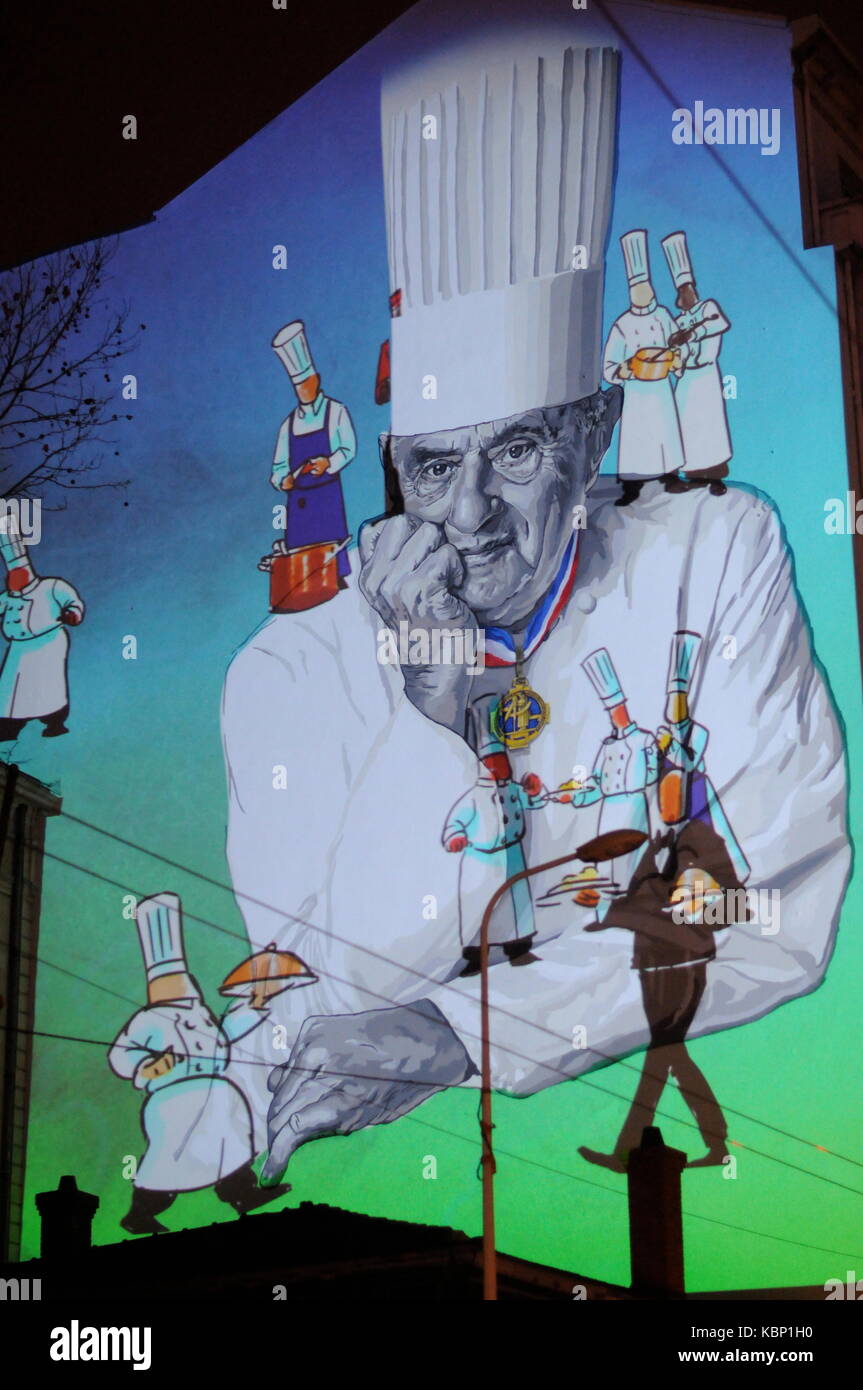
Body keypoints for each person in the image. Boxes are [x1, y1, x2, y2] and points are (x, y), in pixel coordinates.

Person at [218, 32, 848, 1184]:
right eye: (429, 464)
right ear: (391, 462)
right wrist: (432, 715)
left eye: (513, 450)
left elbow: (778, 909)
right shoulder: (290, 672)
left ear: (593, 433)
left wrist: (463, 1033)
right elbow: (335, 995)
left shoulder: (711, 553)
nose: (467, 515)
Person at [107, 893, 292, 1234]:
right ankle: (140, 1212)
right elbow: (121, 1055)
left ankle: (242, 1195)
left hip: (215, 1094)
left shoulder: (200, 1014)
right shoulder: (150, 1020)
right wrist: (148, 1068)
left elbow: (225, 1037)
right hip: (175, 1098)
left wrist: (254, 1004)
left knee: (231, 1145)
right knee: (170, 1159)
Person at [578, 819, 750, 1172]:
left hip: (685, 963)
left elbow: (736, 904)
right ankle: (716, 1144)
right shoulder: (647, 844)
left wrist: (687, 919)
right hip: (650, 964)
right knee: (670, 1055)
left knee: (661, 1054)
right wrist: (606, 909)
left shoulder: (700, 837)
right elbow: (638, 900)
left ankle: (627, 1150)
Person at [602, 230, 687, 507]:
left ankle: (671, 477)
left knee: (665, 435)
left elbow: (678, 345)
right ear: (631, 292)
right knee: (637, 441)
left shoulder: (662, 316)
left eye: (645, 288)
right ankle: (632, 486)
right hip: (636, 394)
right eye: (636, 289)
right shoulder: (622, 325)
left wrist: (676, 359)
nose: (642, 294)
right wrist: (626, 368)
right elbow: (608, 368)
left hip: (661, 390)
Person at [269, 321, 356, 586]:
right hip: (299, 503)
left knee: (332, 552)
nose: (304, 391)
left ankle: (337, 581)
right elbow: (278, 467)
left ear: (316, 380)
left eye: (307, 383)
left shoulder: (336, 411)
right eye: (299, 386)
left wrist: (328, 462)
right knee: (303, 566)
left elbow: (348, 448)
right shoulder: (288, 425)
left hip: (327, 495)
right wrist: (283, 480)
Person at [0, 517, 84, 742]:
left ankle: (55, 722)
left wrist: (72, 615)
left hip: (47, 644)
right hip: (18, 650)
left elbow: (73, 603)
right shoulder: (8, 597)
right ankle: (7, 730)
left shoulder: (52, 586)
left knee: (47, 688)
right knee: (10, 694)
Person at [662, 231, 732, 495]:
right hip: (687, 379)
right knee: (686, 427)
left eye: (687, 289)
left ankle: (714, 477)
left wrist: (692, 334)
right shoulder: (678, 321)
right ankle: (690, 474)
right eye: (681, 291)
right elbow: (676, 352)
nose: (685, 296)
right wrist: (676, 353)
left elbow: (719, 324)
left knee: (710, 426)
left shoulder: (708, 308)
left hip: (707, 374)